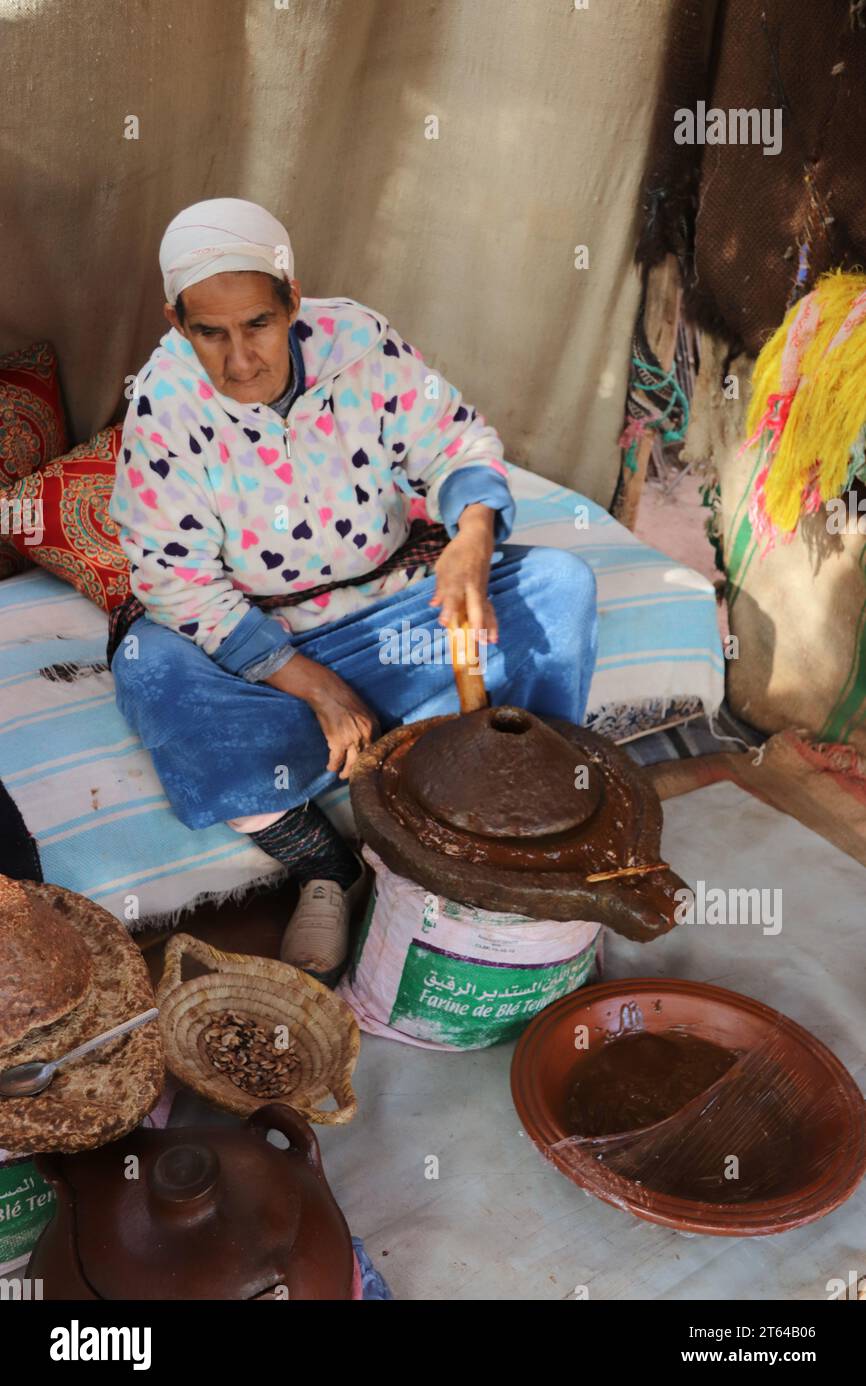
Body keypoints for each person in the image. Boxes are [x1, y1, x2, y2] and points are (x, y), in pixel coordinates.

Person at [108, 197, 598, 982]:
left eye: (258, 325)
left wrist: (472, 538)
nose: (239, 361)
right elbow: (176, 578)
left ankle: (507, 807)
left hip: (389, 610)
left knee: (558, 587)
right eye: (210, 333)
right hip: (261, 648)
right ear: (176, 321)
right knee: (149, 672)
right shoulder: (164, 402)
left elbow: (455, 441)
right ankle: (324, 864)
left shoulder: (360, 346)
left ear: (293, 301)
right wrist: (312, 685)